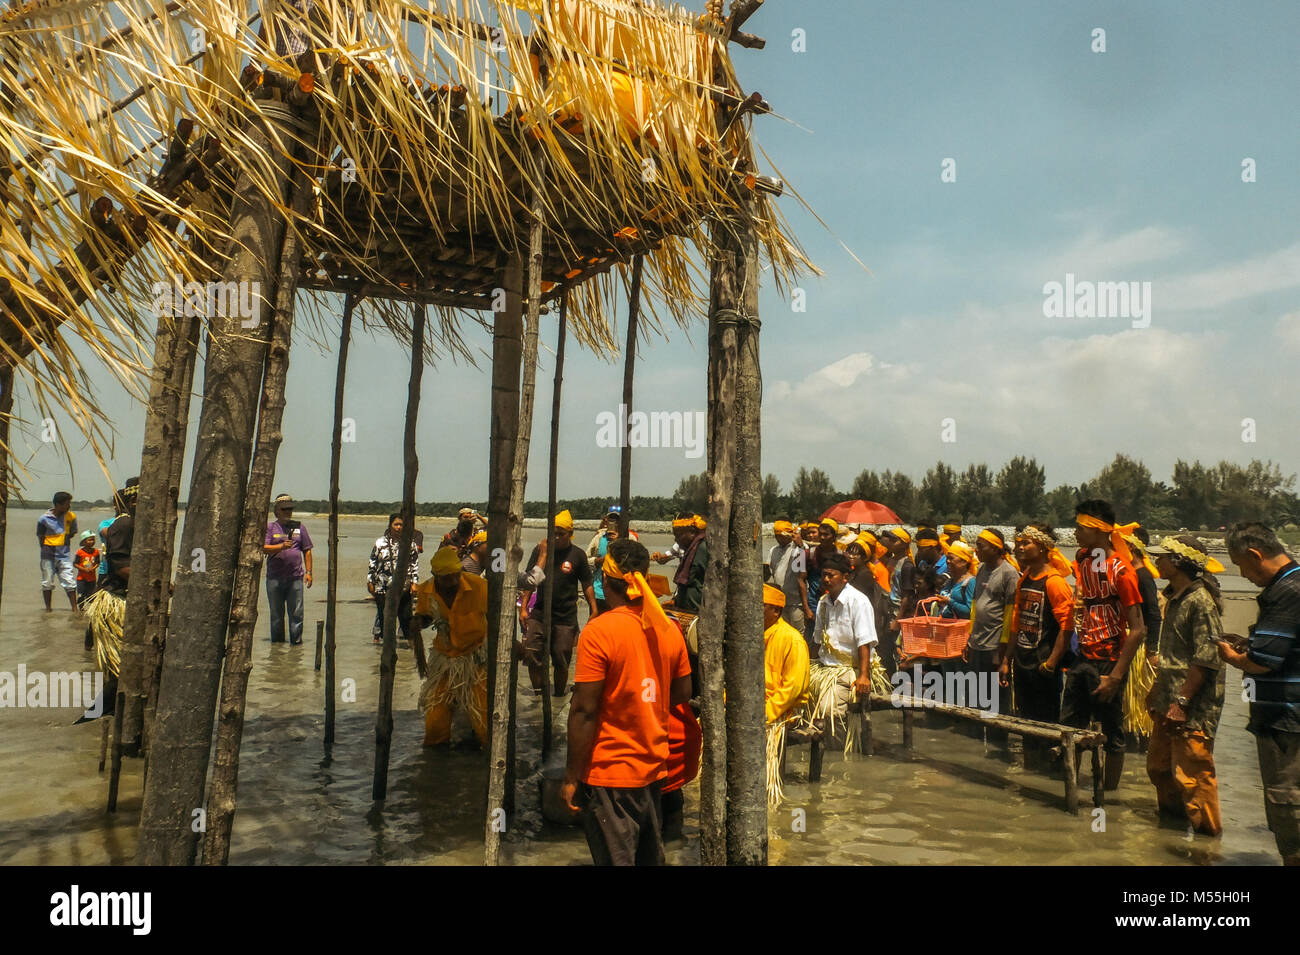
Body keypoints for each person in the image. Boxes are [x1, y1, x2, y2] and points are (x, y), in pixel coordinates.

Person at [561, 539, 692, 866]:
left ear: (605, 582)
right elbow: (682, 693)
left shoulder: (598, 632)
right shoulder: (669, 627)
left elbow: (583, 710)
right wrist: (643, 699)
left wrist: (570, 777)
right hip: (653, 768)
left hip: (610, 773)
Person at [1217, 522, 1300, 864]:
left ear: (1255, 555)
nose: (1243, 574)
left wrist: (1235, 657)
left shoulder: (1287, 591)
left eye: (1240, 565)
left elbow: (1264, 662)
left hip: (1286, 720)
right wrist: (1252, 646)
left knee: (1288, 803)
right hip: (1288, 714)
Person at [1143, 535, 1225, 836]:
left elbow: (1206, 659)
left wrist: (1182, 702)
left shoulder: (1200, 602)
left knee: (1193, 779)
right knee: (1160, 769)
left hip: (1193, 708)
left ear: (1178, 562)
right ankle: (1171, 838)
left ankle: (1206, 846)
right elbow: (1172, 657)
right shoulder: (1176, 597)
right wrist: (1157, 692)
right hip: (1169, 700)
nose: (1156, 561)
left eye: (1162, 557)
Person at [1066, 500, 1146, 789]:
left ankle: (1109, 794)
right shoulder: (1083, 559)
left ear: (1098, 530)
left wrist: (1116, 676)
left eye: (1079, 527)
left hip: (1110, 658)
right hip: (1083, 655)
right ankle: (1071, 787)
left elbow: (1138, 630)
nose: (1074, 532)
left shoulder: (1122, 571)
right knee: (1070, 727)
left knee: (1111, 731)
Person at [1002, 525, 1074, 764]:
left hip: (1043, 665)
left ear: (1043, 548)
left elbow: (1067, 626)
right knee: (1025, 721)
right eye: (1019, 543)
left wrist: (1052, 661)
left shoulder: (1055, 582)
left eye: (1026, 544)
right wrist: (1006, 660)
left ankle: (1049, 774)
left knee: (1047, 724)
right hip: (1023, 662)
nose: (1019, 548)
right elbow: (1016, 624)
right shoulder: (1024, 579)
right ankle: (1030, 774)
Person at [415, 547, 489, 746]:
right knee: (435, 721)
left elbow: (498, 617)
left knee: (484, 720)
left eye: (456, 575)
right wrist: (416, 623)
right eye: (447, 578)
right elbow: (425, 618)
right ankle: (435, 764)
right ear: (435, 576)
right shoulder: (426, 591)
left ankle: (489, 755)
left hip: (476, 658)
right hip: (445, 660)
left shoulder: (480, 587)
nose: (454, 582)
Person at [519, 509, 596, 695]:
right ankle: (538, 693)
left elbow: (586, 583)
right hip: (539, 612)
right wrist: (523, 607)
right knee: (532, 653)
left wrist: (593, 608)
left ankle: (559, 695)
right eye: (553, 533)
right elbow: (530, 579)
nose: (556, 538)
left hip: (565, 616)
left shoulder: (577, 555)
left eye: (561, 534)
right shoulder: (540, 551)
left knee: (561, 658)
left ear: (570, 534)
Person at [806, 553, 877, 753]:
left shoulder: (858, 601)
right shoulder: (823, 602)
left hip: (849, 668)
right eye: (823, 575)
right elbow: (817, 639)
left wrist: (863, 675)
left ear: (845, 577)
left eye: (831, 575)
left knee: (830, 711)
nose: (826, 579)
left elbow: (865, 641)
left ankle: (836, 751)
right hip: (825, 666)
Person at [967, 528, 1019, 727]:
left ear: (996, 548)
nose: (976, 550)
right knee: (978, 696)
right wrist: (969, 637)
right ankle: (978, 740)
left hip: (994, 647)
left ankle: (998, 739)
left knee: (996, 699)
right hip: (977, 643)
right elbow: (975, 605)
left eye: (980, 546)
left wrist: (1003, 650)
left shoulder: (1008, 573)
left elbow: (1010, 616)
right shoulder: (981, 569)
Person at [763, 583, 810, 805]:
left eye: (761, 606)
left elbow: (792, 688)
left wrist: (765, 714)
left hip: (782, 711)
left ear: (776, 611)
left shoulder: (791, 639)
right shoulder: (749, 635)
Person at [263, 493, 313, 645]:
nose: (288, 512)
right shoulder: (270, 528)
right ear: (277, 510)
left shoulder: (299, 527)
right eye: (284, 509)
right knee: (276, 615)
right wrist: (280, 546)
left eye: (290, 509)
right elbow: (263, 548)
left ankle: (296, 643)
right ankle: (277, 648)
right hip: (274, 579)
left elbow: (307, 550)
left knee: (297, 614)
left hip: (295, 578)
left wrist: (309, 573)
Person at [367, 512, 419, 645]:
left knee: (406, 617)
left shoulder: (410, 544)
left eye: (401, 525)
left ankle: (412, 646)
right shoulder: (380, 543)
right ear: (390, 525)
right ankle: (387, 647)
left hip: (404, 587)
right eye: (396, 524)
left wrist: (415, 582)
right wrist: (370, 581)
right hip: (383, 586)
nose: (399, 527)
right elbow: (373, 563)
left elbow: (414, 564)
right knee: (385, 617)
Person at [37, 491, 79, 611]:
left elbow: (72, 532)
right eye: (67, 504)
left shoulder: (71, 517)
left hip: (64, 555)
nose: (69, 506)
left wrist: (62, 542)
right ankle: (48, 609)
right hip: (47, 554)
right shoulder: (44, 519)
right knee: (47, 582)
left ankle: (74, 609)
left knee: (69, 581)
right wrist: (47, 548)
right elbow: (40, 536)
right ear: (58, 504)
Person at [768, 520, 810, 633]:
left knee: (798, 633)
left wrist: (800, 545)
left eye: (781, 536)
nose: (778, 539)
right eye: (776, 536)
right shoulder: (773, 551)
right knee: (781, 632)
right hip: (780, 601)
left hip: (795, 602)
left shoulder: (798, 549)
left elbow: (801, 570)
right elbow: (772, 572)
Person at [664, 513, 708, 614]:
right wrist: (675, 601)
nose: (676, 540)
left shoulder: (702, 549)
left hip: (696, 610)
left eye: (678, 535)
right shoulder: (691, 550)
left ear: (692, 532)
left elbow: (694, 581)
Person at [933, 540, 976, 619]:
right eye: (947, 558)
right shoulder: (949, 581)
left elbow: (970, 612)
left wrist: (950, 602)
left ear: (964, 562)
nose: (948, 561)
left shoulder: (970, 582)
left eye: (951, 558)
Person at [73, 531, 100, 611]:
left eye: (93, 540)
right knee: (81, 595)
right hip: (81, 578)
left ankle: (91, 610)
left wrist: (94, 568)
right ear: (84, 542)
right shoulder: (80, 552)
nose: (92, 542)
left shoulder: (96, 552)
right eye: (90, 540)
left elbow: (98, 563)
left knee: (91, 595)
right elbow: (75, 564)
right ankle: (81, 610)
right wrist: (84, 569)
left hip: (92, 578)